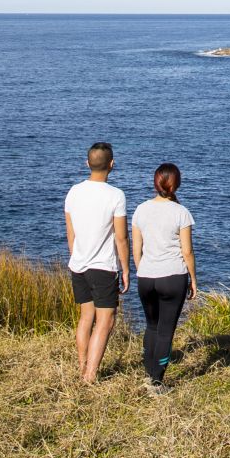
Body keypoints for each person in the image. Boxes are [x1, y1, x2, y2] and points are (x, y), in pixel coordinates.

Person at [64, 142, 129, 384]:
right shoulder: (116, 195)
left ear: (87, 163)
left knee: (85, 317)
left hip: (78, 263)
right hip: (103, 266)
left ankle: (83, 366)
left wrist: (76, 256)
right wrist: (126, 269)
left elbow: (70, 232)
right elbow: (121, 237)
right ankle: (90, 375)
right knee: (106, 320)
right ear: (112, 164)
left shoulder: (74, 192)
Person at [131, 162, 197, 395]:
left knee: (151, 326)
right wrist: (193, 279)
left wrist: (142, 269)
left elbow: (136, 248)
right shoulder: (181, 213)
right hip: (172, 277)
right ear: (176, 184)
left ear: (156, 183)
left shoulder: (140, 210)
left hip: (146, 276)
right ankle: (156, 382)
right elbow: (187, 251)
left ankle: (149, 374)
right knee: (166, 330)